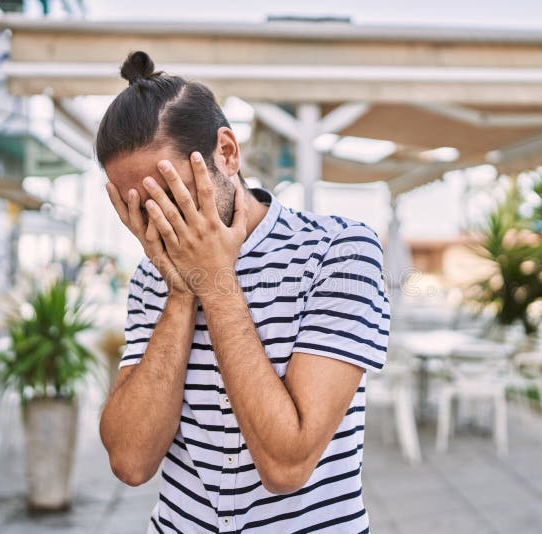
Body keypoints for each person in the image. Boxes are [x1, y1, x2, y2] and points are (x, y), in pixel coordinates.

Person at [98, 50, 390, 533]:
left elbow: (287, 465)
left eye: (171, 195)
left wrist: (215, 282)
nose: (160, 223)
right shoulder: (152, 275)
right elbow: (130, 461)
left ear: (227, 153)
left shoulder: (339, 252)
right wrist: (181, 292)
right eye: (139, 208)